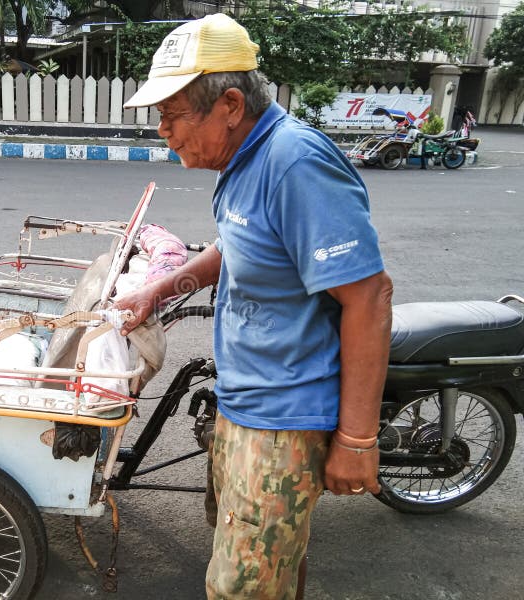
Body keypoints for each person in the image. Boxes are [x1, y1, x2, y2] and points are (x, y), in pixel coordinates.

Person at [115, 14, 393, 600]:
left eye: (171, 115)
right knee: (265, 571)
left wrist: (357, 440)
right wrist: (159, 289)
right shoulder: (243, 160)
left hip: (283, 422)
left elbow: (369, 296)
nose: (163, 131)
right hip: (243, 404)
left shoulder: (295, 163)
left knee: (240, 588)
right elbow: (239, 243)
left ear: (231, 104)